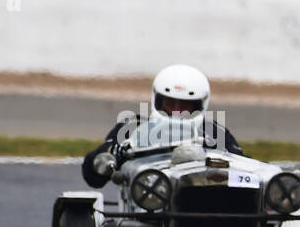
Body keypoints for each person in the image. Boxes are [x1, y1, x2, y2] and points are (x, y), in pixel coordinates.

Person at [80, 64, 242, 187]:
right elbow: (92, 176)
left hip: (203, 205)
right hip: (147, 203)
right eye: (171, 103)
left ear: (200, 105)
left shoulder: (212, 131)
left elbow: (243, 165)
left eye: (185, 105)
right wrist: (113, 153)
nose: (177, 111)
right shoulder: (132, 127)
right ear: (158, 101)